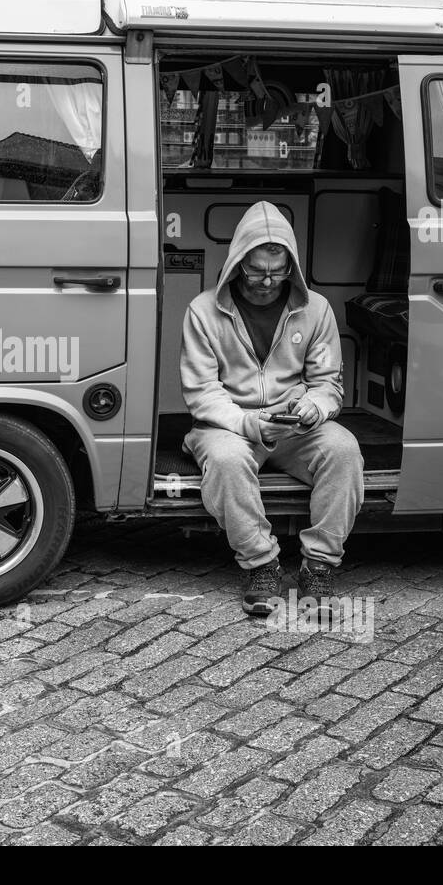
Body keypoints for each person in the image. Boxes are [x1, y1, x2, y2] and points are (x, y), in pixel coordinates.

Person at [180, 201, 364, 615]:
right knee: (226, 461)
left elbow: (328, 384)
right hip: (228, 424)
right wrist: (248, 423)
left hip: (295, 425)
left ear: (291, 267)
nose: (266, 282)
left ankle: (318, 567)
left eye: (277, 272)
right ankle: (261, 566)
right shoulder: (203, 311)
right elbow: (202, 393)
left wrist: (313, 409)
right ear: (237, 263)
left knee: (344, 449)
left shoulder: (315, 309)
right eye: (256, 271)